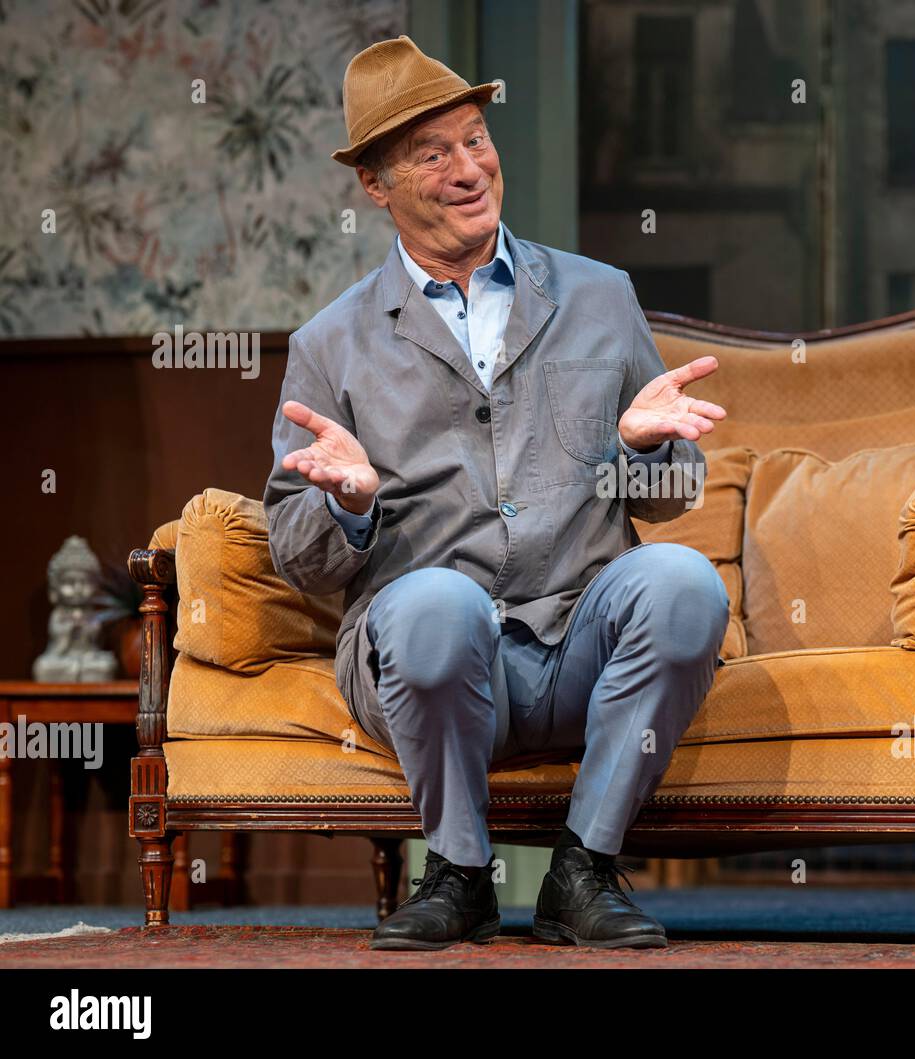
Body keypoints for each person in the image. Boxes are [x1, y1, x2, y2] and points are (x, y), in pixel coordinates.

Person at [263, 36, 730, 951]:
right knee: (438, 602)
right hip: (432, 651)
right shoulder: (331, 342)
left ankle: (583, 870)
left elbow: (674, 494)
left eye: (475, 139)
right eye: (433, 153)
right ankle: (459, 873)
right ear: (375, 183)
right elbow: (299, 556)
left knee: (684, 583)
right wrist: (350, 504)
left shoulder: (601, 295)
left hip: (575, 642)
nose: (470, 167)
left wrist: (646, 448)